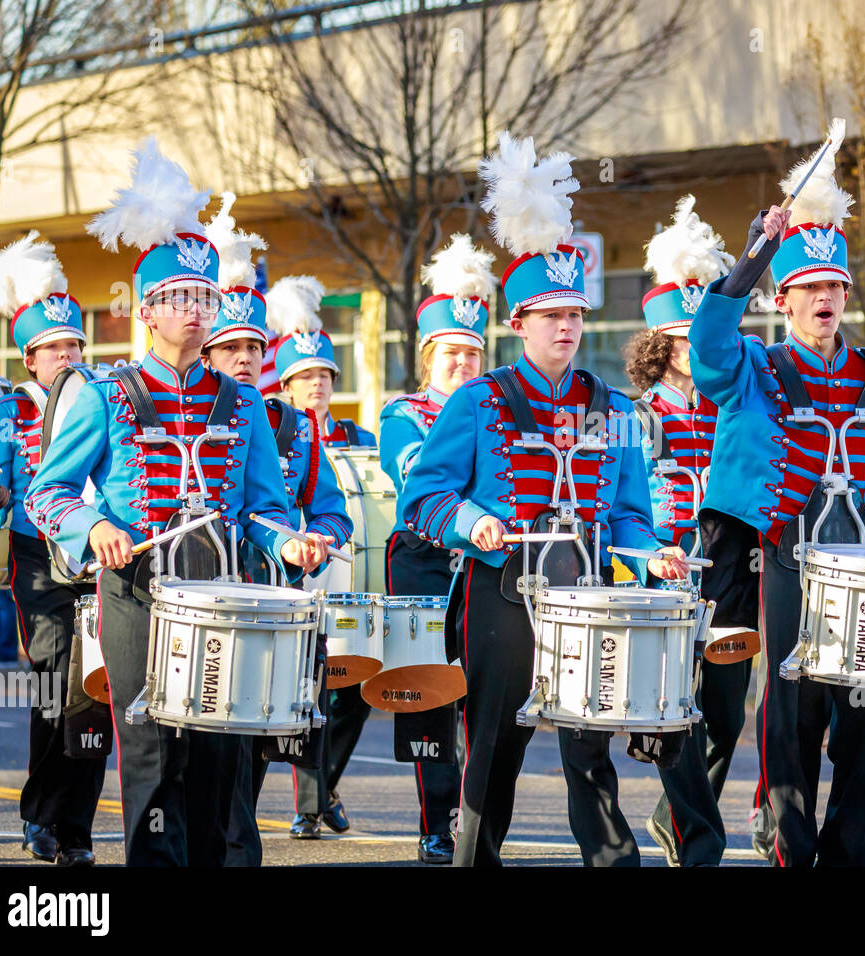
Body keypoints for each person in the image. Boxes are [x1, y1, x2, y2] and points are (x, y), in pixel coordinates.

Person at [26, 139, 331, 866]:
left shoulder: (243, 401)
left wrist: (286, 541)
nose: (193, 311)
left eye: (204, 298)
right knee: (153, 756)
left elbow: (263, 505)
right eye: (177, 299)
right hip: (135, 593)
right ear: (147, 310)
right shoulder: (109, 393)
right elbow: (48, 493)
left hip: (224, 591)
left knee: (219, 759)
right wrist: (94, 523)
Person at [402, 132, 690, 867]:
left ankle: (613, 862)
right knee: (494, 751)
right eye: (550, 316)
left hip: (586, 595)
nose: (566, 328)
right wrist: (476, 522)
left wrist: (649, 552)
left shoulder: (611, 407)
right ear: (518, 323)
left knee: (591, 748)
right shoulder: (478, 400)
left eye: (575, 316)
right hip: (499, 596)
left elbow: (627, 510)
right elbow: (423, 498)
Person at [688, 119, 865, 867]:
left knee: (863, 716)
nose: (823, 298)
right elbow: (706, 350)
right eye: (807, 288)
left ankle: (850, 851)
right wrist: (752, 258)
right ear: (783, 299)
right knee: (792, 716)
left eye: (833, 285)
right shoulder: (752, 365)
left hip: (863, 564)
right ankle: (789, 846)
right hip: (784, 558)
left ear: (847, 292)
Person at [197, 195, 354, 866]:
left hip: (272, 602)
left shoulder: (294, 427)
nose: (242, 358)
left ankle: (240, 839)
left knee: (254, 739)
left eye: (253, 347)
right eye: (229, 346)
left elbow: (333, 510)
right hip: (193, 602)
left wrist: (313, 537)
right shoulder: (181, 417)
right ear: (206, 348)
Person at [0, 231, 106, 865]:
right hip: (37, 558)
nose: (67, 356)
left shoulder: (106, 396)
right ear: (31, 358)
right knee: (55, 685)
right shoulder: (8, 412)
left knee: (99, 691)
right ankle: (42, 816)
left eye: (74, 344)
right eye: (54, 348)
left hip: (102, 557)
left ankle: (77, 829)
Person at [377, 233, 495, 864]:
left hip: (480, 564)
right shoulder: (403, 412)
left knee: (482, 692)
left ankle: (474, 822)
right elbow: (420, 473)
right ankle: (435, 822)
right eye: (452, 352)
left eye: (473, 354)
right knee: (428, 697)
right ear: (429, 355)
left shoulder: (496, 411)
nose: (463, 365)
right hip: (423, 560)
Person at [623, 196, 732, 867]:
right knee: (674, 706)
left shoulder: (729, 407)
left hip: (723, 571)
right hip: (660, 572)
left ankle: (673, 813)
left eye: (702, 338)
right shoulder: (633, 414)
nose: (696, 351)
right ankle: (696, 832)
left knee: (727, 715)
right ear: (660, 344)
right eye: (684, 340)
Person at [267, 275, 378, 838]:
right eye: (305, 376)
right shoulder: (274, 432)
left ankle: (320, 786)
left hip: (346, 579)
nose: (316, 384)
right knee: (294, 687)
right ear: (286, 385)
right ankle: (309, 802)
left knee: (352, 686)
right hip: (286, 576)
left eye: (324, 375)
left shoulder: (356, 433)